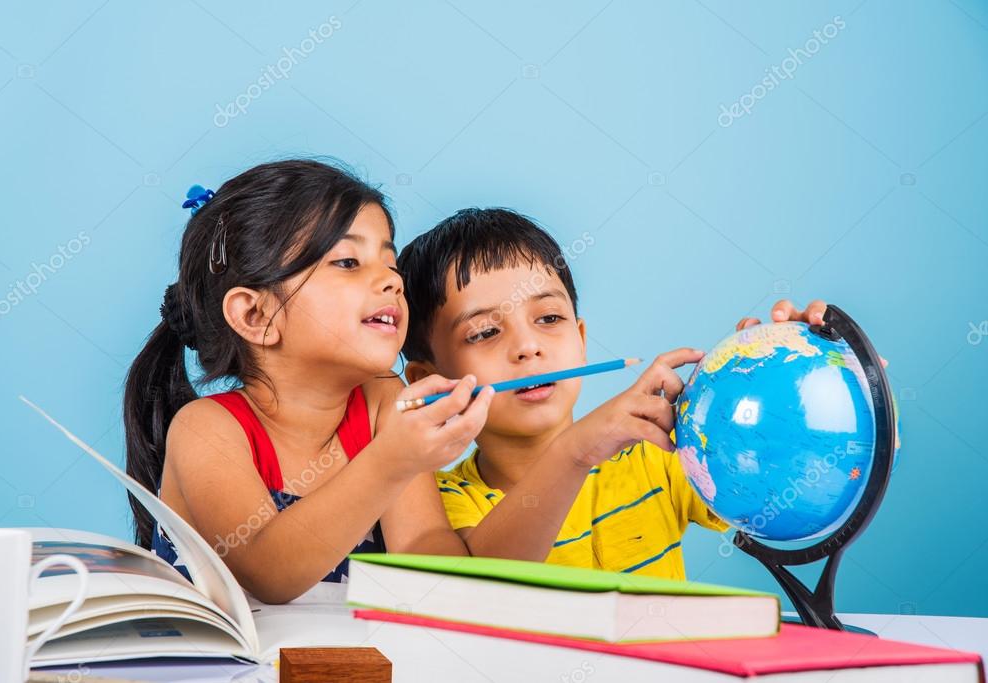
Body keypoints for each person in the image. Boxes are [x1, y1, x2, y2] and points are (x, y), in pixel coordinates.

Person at [122, 160, 493, 603]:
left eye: (390, 264)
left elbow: (422, 551)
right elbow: (269, 572)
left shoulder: (382, 399)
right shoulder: (206, 429)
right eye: (348, 262)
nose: (392, 283)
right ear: (256, 315)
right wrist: (393, 460)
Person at [398, 207, 829, 580]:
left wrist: (796, 376)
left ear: (581, 340)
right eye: (484, 332)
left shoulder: (660, 456)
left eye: (548, 318)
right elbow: (479, 587)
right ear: (426, 381)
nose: (528, 346)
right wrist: (574, 452)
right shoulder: (441, 502)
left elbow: (780, 491)